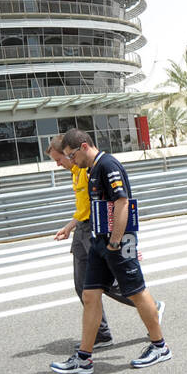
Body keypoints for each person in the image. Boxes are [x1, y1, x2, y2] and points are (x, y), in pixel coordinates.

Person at [48, 129, 168, 374]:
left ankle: (160, 346)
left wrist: (115, 243)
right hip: (99, 241)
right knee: (90, 294)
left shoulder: (107, 165)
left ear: (83, 147)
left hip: (117, 240)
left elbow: (122, 203)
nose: (70, 161)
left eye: (71, 155)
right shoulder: (91, 169)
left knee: (135, 292)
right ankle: (84, 359)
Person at [46, 134, 137, 349]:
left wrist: (120, 242)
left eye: (61, 159)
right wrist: (69, 227)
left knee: (102, 283)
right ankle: (102, 334)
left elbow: (117, 203)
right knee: (82, 285)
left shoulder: (88, 170)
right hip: (81, 228)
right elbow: (83, 207)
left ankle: (146, 304)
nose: (59, 164)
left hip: (93, 229)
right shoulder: (75, 173)